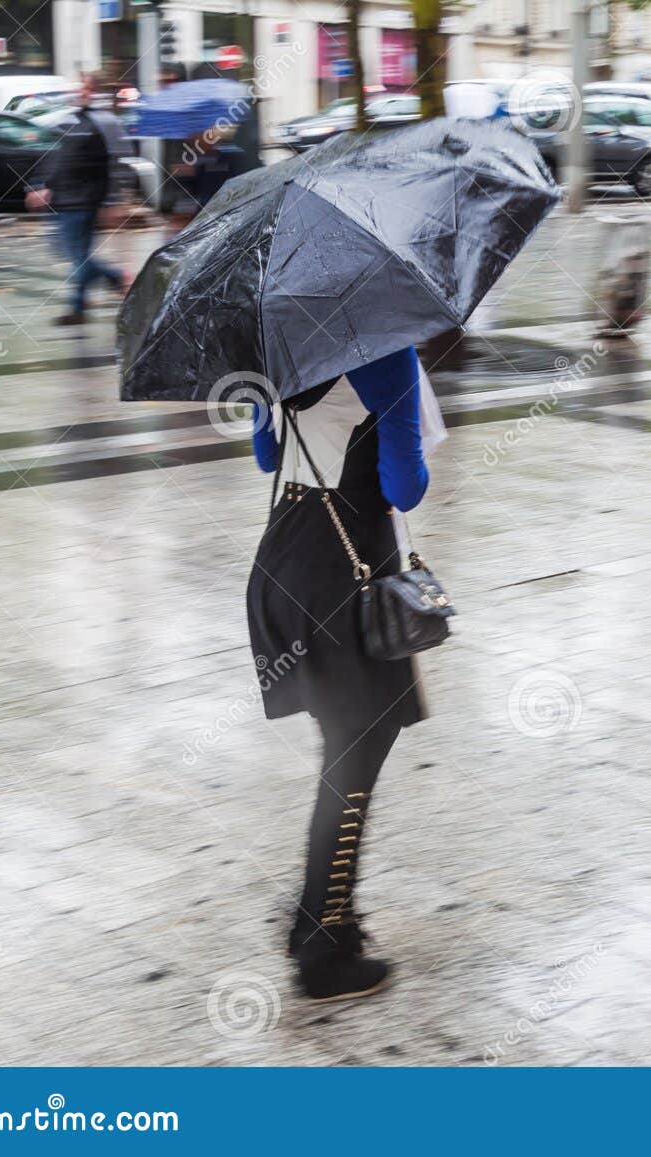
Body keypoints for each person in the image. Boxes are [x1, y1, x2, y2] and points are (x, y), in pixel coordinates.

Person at [247, 347, 439, 1002]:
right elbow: (404, 486)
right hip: (346, 567)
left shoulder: (271, 347)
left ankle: (322, 911)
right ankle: (323, 946)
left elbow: (267, 458)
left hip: (284, 559)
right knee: (354, 755)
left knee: (346, 746)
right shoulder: (388, 353)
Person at [25, 74, 128, 326]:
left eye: (84, 89)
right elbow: (53, 158)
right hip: (63, 200)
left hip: (85, 201)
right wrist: (41, 186)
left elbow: (115, 165)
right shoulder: (70, 121)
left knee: (78, 256)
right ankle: (112, 278)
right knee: (73, 254)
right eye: (78, 88)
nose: (78, 93)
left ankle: (79, 307)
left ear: (95, 93)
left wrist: (113, 202)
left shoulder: (104, 123)